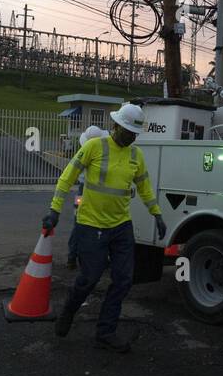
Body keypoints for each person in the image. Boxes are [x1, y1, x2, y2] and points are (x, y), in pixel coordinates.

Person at [44, 104, 166, 351]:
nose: (131, 136)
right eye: (128, 131)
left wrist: (157, 214)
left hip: (121, 225)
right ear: (116, 126)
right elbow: (66, 178)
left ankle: (105, 332)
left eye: (135, 133)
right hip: (91, 224)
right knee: (89, 278)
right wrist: (54, 210)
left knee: (123, 280)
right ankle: (69, 309)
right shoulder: (93, 147)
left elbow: (144, 187)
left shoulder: (136, 156)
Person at [66, 125, 107, 270]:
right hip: (96, 193)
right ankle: (95, 259)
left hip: (82, 192)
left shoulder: (83, 152)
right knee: (98, 224)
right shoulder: (103, 154)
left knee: (78, 223)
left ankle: (72, 257)